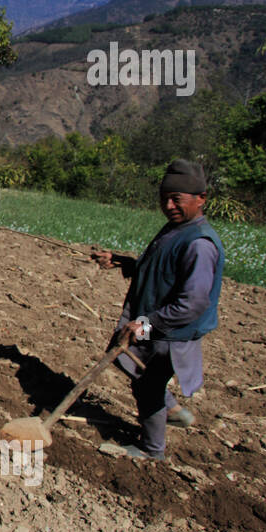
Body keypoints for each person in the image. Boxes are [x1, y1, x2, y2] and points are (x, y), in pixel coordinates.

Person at [90, 159, 225, 461]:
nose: (169, 205)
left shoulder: (200, 245)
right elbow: (162, 270)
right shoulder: (177, 229)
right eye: (164, 198)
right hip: (160, 322)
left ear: (201, 199)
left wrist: (144, 324)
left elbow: (193, 303)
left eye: (177, 199)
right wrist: (123, 262)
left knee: (148, 384)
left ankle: (152, 449)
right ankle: (174, 412)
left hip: (172, 329)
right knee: (140, 370)